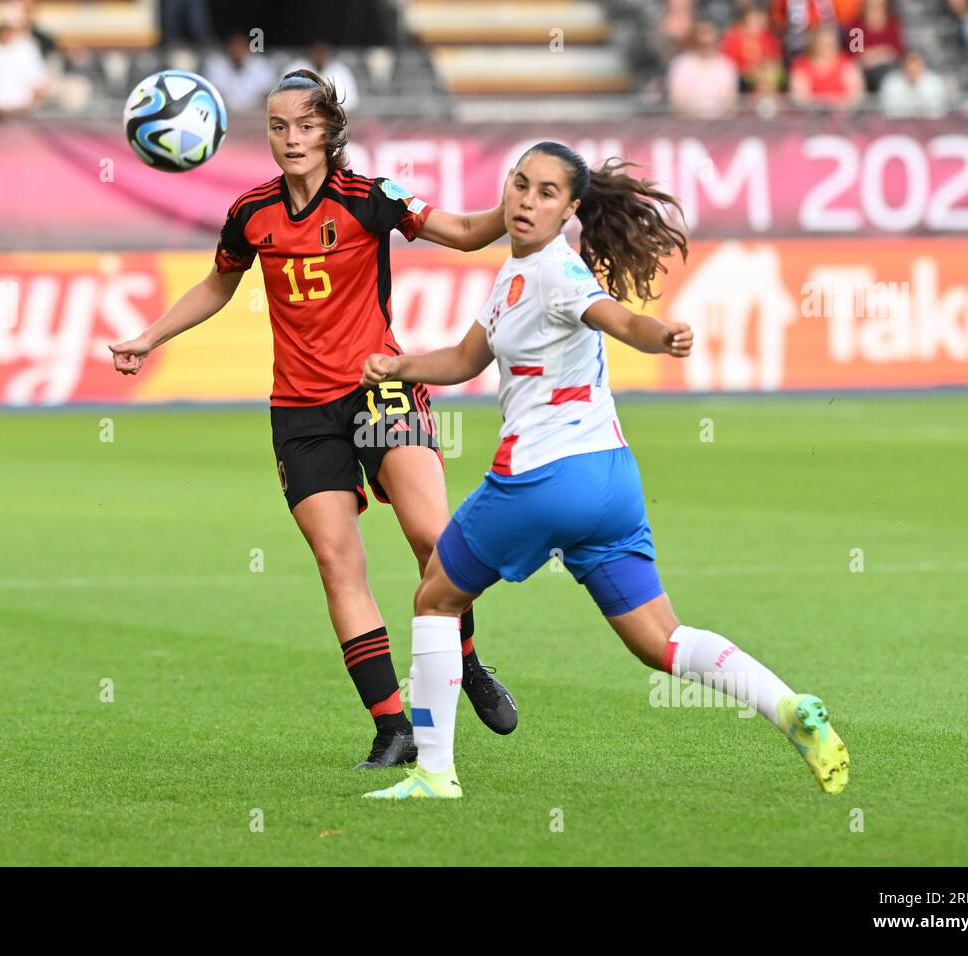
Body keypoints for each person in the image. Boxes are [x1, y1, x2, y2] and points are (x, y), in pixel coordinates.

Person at [359, 142, 850, 800]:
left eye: (545, 193)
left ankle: (434, 774)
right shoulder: (513, 278)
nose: (526, 201)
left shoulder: (559, 273)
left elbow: (619, 319)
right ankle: (790, 708)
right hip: (610, 483)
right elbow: (463, 359)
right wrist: (401, 367)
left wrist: (662, 337)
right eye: (520, 186)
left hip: (540, 478)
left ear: (571, 209)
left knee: (435, 598)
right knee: (661, 642)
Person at [108, 70, 519, 769]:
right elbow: (218, 281)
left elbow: (466, 233)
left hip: (380, 388)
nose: (292, 138)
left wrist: (524, 203)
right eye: (278, 126)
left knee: (433, 539)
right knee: (338, 562)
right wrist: (149, 337)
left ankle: (468, 660)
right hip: (300, 410)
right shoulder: (251, 213)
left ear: (331, 130)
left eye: (305, 124)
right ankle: (394, 727)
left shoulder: (371, 198)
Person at [0, 19, 47, 118]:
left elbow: (39, 83)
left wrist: (28, 108)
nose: (6, 34)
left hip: (22, 113)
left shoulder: (26, 50)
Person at [667, 20, 739, 117]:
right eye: (702, 44)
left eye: (709, 43)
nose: (706, 46)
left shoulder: (727, 66)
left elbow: (730, 103)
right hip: (687, 124)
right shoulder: (681, 65)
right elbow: (677, 102)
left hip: (719, 125)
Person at [789, 25, 864, 109]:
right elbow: (800, 98)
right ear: (814, 44)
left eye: (830, 43)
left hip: (843, 115)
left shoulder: (847, 64)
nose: (827, 47)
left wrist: (839, 107)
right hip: (812, 116)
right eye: (823, 43)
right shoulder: (801, 65)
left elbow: (856, 95)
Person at [203, 32, 275, 113]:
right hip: (225, 112)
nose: (237, 51)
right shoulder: (215, 65)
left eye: (240, 47)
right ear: (228, 48)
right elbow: (212, 95)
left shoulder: (260, 65)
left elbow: (268, 94)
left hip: (255, 114)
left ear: (247, 48)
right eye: (234, 47)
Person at [721, 4, 782, 92]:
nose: (757, 23)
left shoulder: (767, 37)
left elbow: (774, 59)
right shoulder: (734, 38)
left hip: (762, 79)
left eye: (759, 20)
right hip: (740, 80)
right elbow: (729, 63)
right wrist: (748, 71)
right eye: (753, 20)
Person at [283, 43, 358, 113]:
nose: (320, 56)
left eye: (322, 52)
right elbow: (284, 97)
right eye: (317, 52)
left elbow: (350, 102)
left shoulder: (341, 71)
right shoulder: (296, 68)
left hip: (333, 118)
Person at [880, 49, 949, 117]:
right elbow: (889, 110)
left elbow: (937, 109)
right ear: (903, 67)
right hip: (900, 124)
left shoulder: (935, 81)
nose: (913, 71)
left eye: (916, 67)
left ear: (923, 66)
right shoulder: (891, 82)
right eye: (909, 68)